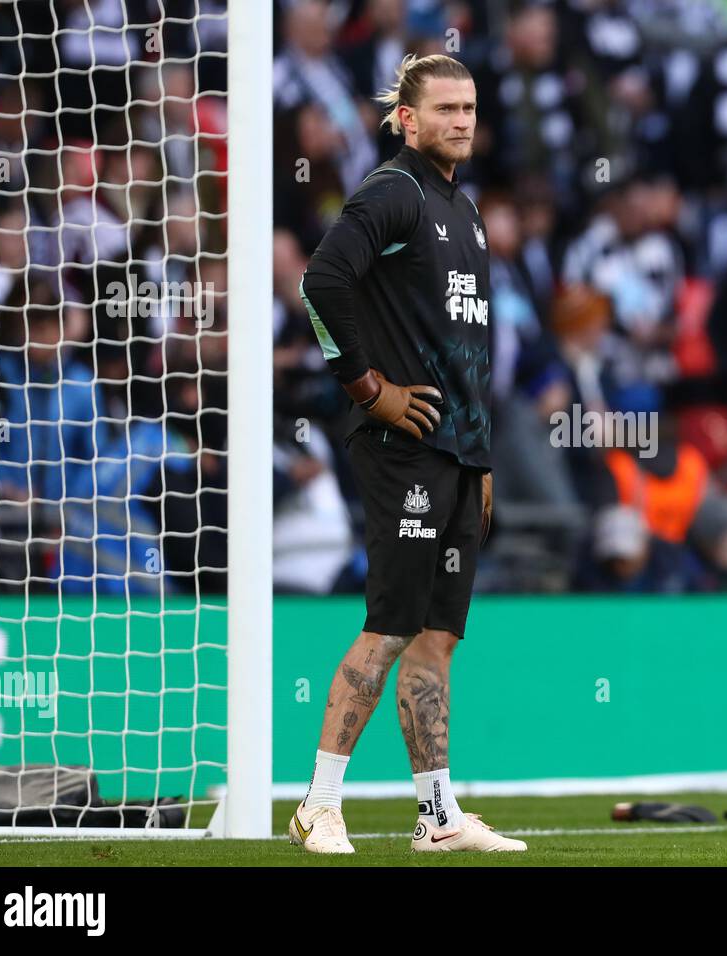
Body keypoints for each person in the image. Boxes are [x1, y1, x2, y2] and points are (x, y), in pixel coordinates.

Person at [293, 53, 524, 853]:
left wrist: (483, 455)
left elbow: (467, 347)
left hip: (458, 453)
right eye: (445, 109)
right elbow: (321, 283)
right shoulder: (393, 191)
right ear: (407, 118)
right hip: (403, 447)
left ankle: (436, 816)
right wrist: (370, 390)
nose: (461, 120)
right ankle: (318, 804)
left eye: (469, 107)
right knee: (391, 626)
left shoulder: (465, 211)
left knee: (436, 637)